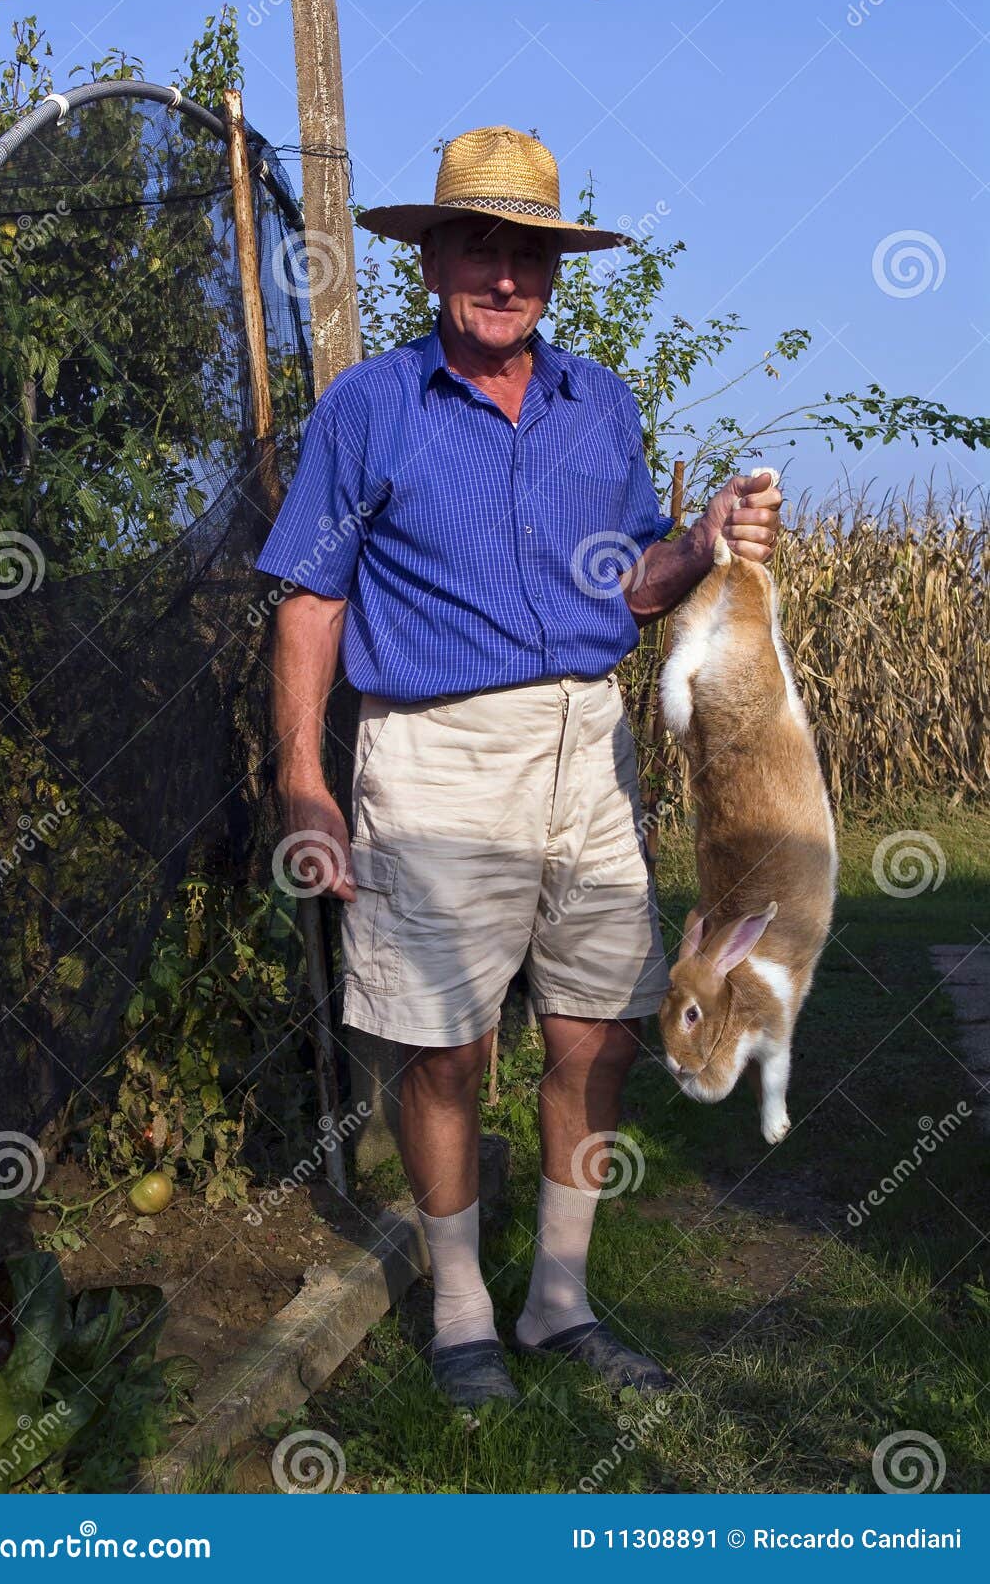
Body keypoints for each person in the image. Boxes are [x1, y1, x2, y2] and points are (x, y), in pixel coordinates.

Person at [255, 125, 782, 1408]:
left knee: (599, 1035)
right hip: (436, 754)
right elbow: (311, 600)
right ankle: (458, 1315)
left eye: (530, 254)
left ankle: (557, 1302)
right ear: (430, 260)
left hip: (588, 747)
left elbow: (635, 583)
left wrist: (703, 539)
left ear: (554, 272)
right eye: (479, 247)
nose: (505, 276)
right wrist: (303, 779)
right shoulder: (370, 407)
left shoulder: (600, 406)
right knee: (442, 1048)